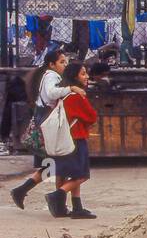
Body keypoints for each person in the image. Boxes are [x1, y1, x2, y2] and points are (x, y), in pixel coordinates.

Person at [8, 47, 88, 210]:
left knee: (54, 165)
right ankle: (53, 200)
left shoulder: (49, 75)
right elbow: (52, 94)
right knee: (57, 164)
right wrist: (71, 88)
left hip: (46, 122)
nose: (64, 65)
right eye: (61, 62)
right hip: (50, 124)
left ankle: (25, 191)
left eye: (66, 62)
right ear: (51, 64)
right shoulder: (51, 76)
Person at [48, 61, 98, 219]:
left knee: (73, 174)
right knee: (82, 175)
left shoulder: (63, 95)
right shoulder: (77, 96)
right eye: (83, 73)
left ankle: (76, 207)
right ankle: (58, 195)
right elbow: (92, 117)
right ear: (75, 77)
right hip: (76, 138)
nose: (87, 76)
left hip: (63, 139)